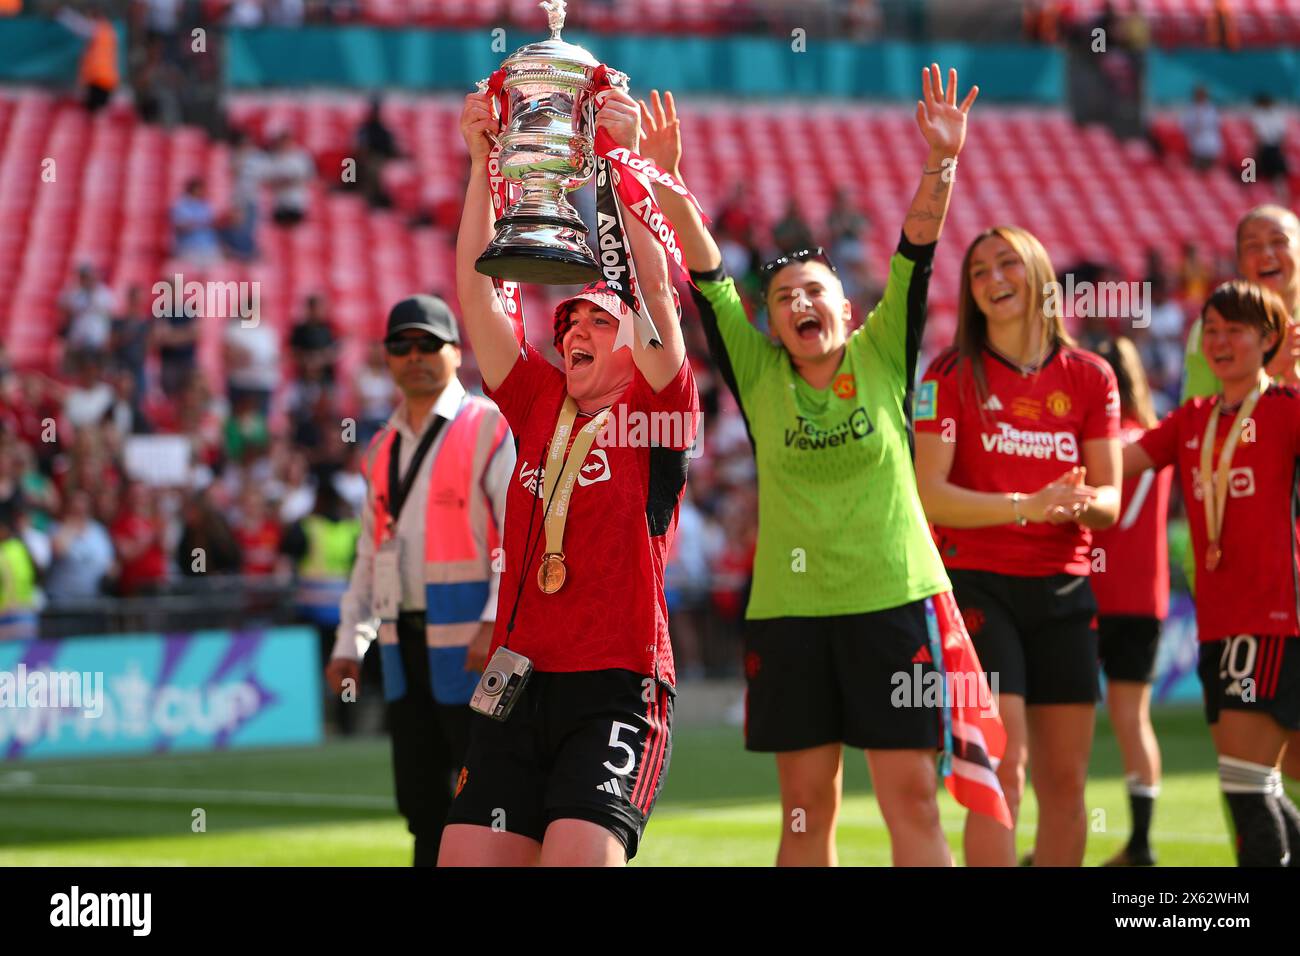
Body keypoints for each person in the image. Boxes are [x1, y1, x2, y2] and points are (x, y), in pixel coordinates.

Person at [638, 68, 1000, 867]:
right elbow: (705, 274)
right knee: (806, 810)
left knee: (911, 799)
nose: (800, 303)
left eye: (815, 291)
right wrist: (667, 181)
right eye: (783, 298)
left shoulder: (880, 354)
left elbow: (917, 240)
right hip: (790, 617)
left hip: (894, 605)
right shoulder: (759, 373)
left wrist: (941, 160)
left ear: (848, 307)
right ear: (769, 323)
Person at [440, 86, 698, 867]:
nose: (575, 328)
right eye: (568, 322)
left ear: (632, 350)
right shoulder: (538, 400)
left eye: (596, 321)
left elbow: (654, 297)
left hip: (616, 690)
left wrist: (627, 173)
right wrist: (484, 163)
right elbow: (480, 296)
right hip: (518, 683)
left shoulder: (660, 413)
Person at [913, 225, 1122, 867]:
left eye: (1007, 263)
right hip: (978, 588)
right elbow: (931, 495)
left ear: (1038, 274)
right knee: (1001, 769)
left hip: (1064, 590)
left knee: (1067, 783)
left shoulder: (1092, 375)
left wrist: (1074, 501)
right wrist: (1024, 507)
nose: (994, 279)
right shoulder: (947, 374)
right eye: (978, 271)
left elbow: (1111, 502)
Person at [328, 295, 513, 867]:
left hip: (471, 648)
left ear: (457, 352)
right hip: (401, 646)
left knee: (484, 796)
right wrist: (348, 644)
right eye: (401, 346)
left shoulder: (489, 425)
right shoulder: (381, 447)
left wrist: (491, 620)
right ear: (386, 357)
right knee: (421, 801)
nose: (415, 356)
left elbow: (519, 540)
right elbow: (368, 555)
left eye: (429, 343)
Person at [1123, 281, 1300, 866]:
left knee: (1245, 788)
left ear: (1269, 340)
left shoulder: (1287, 410)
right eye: (1213, 331)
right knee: (1256, 783)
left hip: (1272, 620)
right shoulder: (1193, 418)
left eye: (1237, 331)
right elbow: (1119, 462)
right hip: (1218, 624)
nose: (1220, 342)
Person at [1090, 336, 1174, 867]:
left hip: (1090, 596)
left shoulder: (1094, 444)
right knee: (1134, 720)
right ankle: (1141, 842)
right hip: (1145, 597)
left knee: (1062, 720)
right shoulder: (1159, 443)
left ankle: (1062, 829)